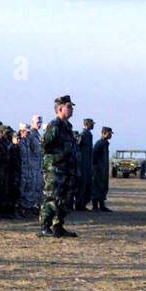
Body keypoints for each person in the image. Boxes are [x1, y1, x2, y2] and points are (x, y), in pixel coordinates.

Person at [38, 96, 78, 238]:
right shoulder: (54, 126)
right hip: (55, 170)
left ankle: (58, 226)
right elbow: (44, 147)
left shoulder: (67, 127)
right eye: (69, 106)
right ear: (60, 108)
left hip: (67, 170)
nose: (72, 109)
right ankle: (45, 227)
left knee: (64, 199)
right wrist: (57, 158)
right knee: (51, 198)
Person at [90, 126, 113, 211]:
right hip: (98, 170)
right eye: (109, 133)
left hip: (103, 170)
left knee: (103, 187)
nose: (110, 135)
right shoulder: (99, 143)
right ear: (103, 133)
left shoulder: (105, 143)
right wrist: (95, 168)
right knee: (96, 187)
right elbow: (94, 157)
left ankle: (102, 205)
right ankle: (95, 206)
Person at [75, 118, 95, 210]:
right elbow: (77, 148)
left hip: (88, 164)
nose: (93, 125)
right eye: (91, 124)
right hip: (83, 164)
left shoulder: (89, 134)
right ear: (87, 124)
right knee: (82, 186)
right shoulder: (83, 135)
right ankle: (79, 205)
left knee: (87, 185)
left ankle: (83, 204)